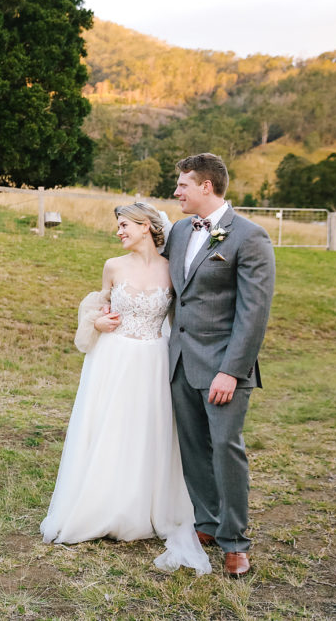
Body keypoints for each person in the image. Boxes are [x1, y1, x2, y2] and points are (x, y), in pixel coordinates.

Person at [40, 202, 211, 575]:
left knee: (149, 432)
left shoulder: (173, 270)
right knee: (110, 428)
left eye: (124, 225)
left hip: (153, 360)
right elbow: (95, 308)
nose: (118, 231)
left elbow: (180, 318)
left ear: (146, 226)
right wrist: (97, 322)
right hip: (113, 359)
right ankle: (102, 505)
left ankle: (144, 506)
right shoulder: (113, 267)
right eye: (117, 226)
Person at [165, 153, 275, 577]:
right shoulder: (178, 231)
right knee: (193, 450)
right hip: (180, 364)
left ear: (206, 187)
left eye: (183, 185)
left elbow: (254, 313)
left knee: (227, 453)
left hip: (224, 368)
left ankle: (235, 542)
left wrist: (232, 370)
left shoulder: (250, 237)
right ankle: (207, 524)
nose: (177, 192)